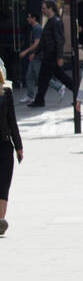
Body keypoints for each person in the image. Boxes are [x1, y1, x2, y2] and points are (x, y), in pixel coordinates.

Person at [30, 0, 77, 108]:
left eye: (44, 8)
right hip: (49, 55)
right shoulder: (51, 21)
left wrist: (59, 56)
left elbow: (59, 40)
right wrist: (35, 53)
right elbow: (43, 41)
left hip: (52, 55)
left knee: (45, 78)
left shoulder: (55, 21)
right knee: (52, 77)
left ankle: (39, 100)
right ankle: (39, 100)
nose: (43, 11)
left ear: (50, 8)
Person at [17, 10, 64, 104]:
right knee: (29, 76)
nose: (27, 19)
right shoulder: (35, 28)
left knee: (41, 76)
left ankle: (58, 87)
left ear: (34, 18)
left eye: (29, 17)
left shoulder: (37, 29)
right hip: (34, 56)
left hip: (37, 56)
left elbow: (37, 43)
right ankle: (30, 95)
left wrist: (27, 52)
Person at [0, 58, 21, 235]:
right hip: (5, 143)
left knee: (4, 183)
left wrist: (19, 146)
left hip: (5, 144)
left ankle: (1, 219)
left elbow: (12, 121)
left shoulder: (6, 93)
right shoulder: (6, 93)